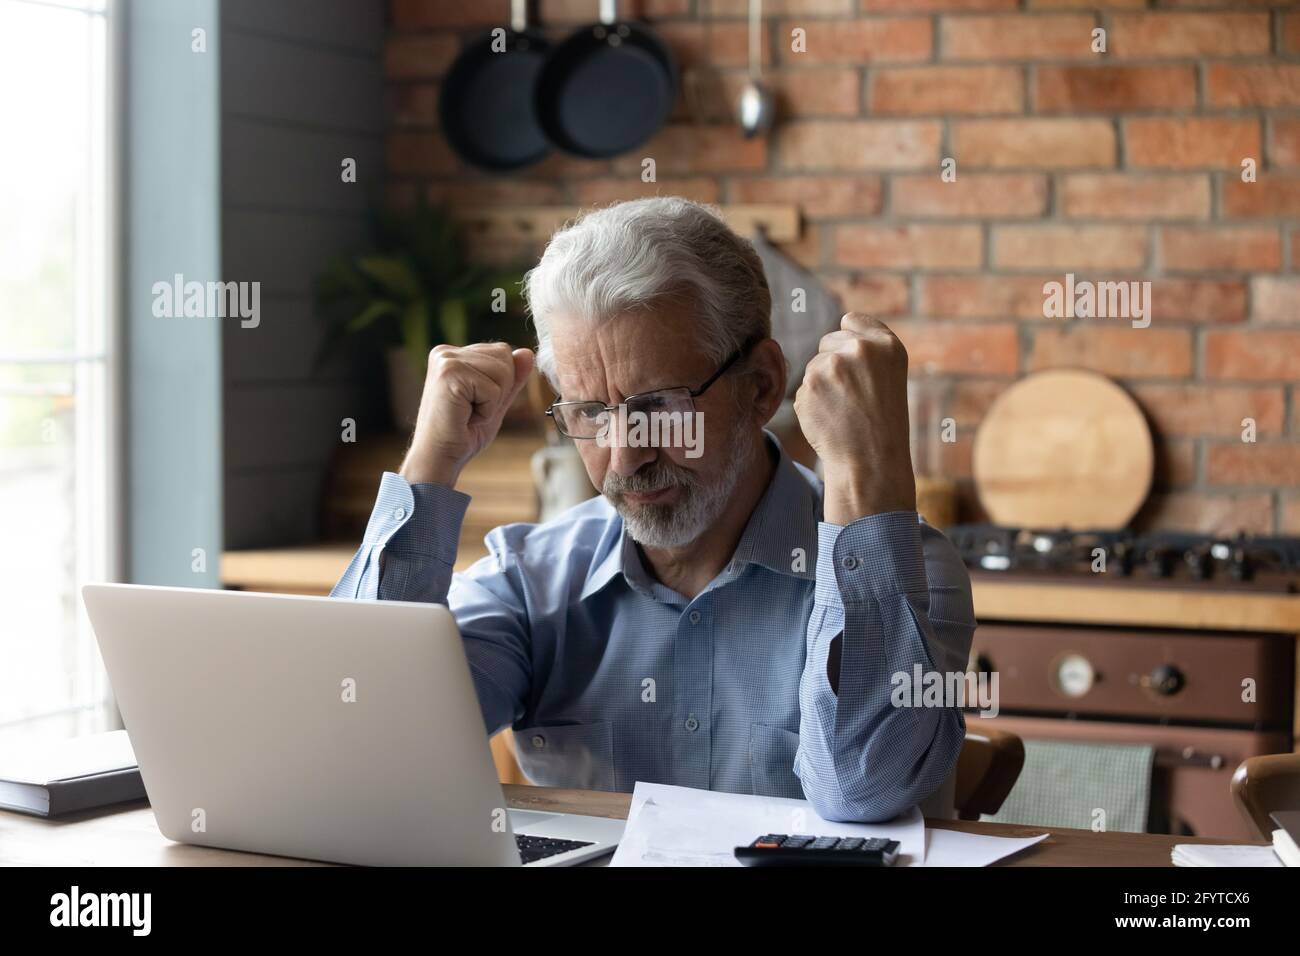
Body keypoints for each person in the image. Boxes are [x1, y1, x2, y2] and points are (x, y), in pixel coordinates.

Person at [332, 196, 975, 823]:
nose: (623, 459)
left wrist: (866, 476)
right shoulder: (530, 582)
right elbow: (356, 748)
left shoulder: (907, 568)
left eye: (657, 408)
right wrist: (429, 466)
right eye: (589, 413)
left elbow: (862, 788)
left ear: (761, 386)